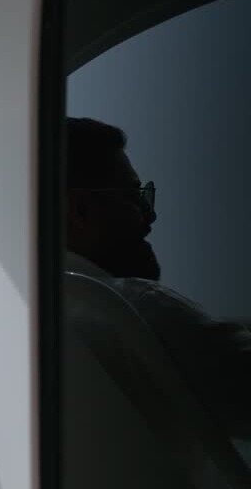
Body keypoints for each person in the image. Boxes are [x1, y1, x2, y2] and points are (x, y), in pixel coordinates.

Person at [64, 116, 251, 438]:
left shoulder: (26, 327)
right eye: (133, 195)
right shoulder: (137, 310)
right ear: (80, 210)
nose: (150, 215)